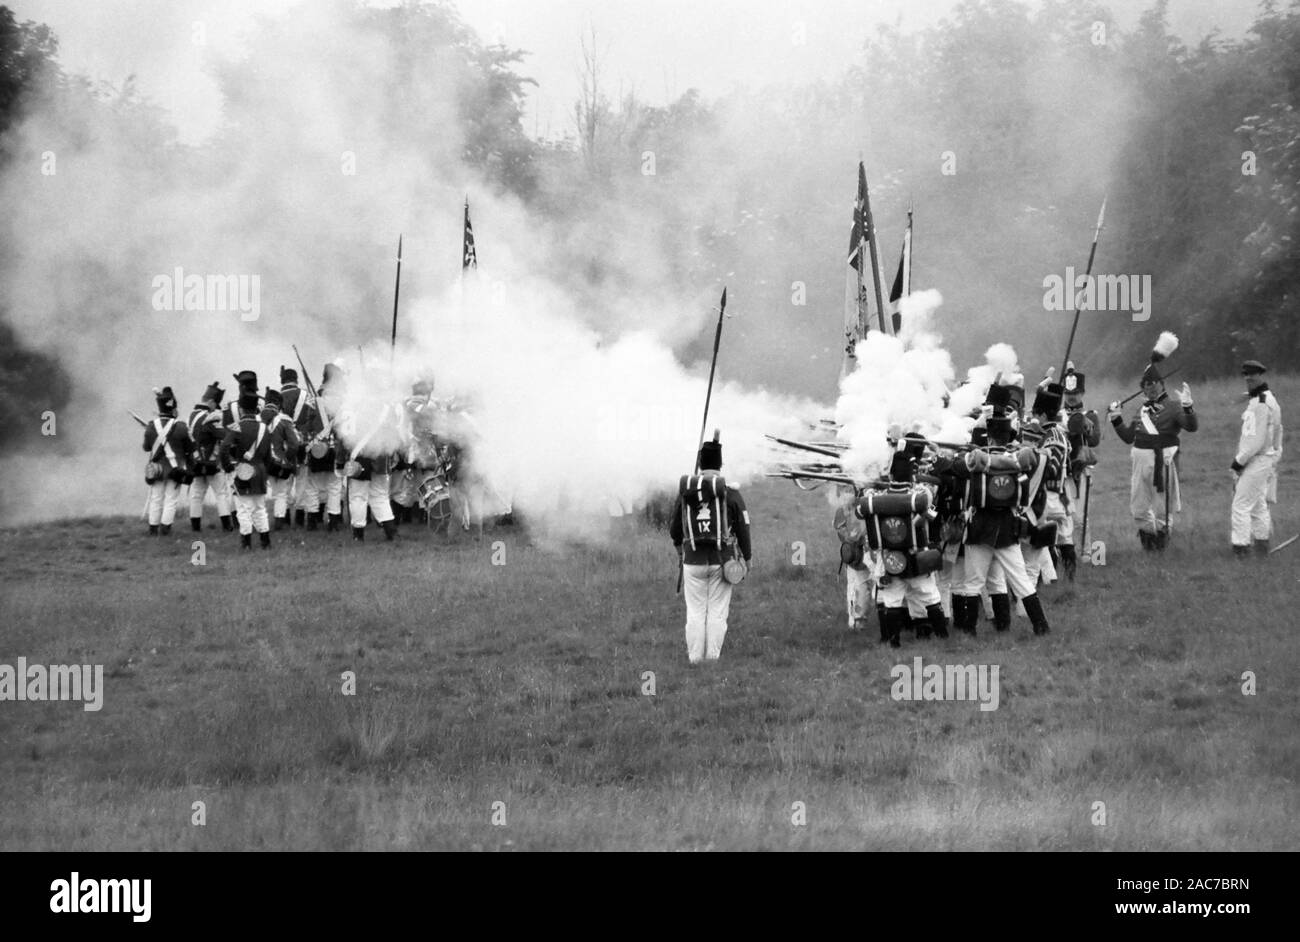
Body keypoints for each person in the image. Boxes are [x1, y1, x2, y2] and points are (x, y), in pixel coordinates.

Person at [943, 385, 1052, 636]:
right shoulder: (1017, 459)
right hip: (1007, 528)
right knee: (1021, 581)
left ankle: (969, 631)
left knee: (972, 584)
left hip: (979, 527)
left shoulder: (977, 459)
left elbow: (955, 469)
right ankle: (1038, 626)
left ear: (990, 437)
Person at [856, 434, 948, 647]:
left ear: (891, 474)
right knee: (931, 596)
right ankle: (944, 639)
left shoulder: (872, 498)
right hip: (917, 557)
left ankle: (893, 642)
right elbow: (929, 499)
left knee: (892, 601)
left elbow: (861, 510)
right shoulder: (920, 495)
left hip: (890, 560)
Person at [1107, 333, 1197, 550]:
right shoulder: (1141, 409)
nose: (1150, 388)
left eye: (1153, 384)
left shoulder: (1174, 407)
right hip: (1139, 462)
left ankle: (1161, 545)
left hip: (1163, 461)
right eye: (1146, 385)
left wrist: (1188, 407)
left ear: (1161, 384)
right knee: (1139, 508)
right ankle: (1150, 543)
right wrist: (1116, 418)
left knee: (1162, 509)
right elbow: (1129, 437)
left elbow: (1191, 426)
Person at [670, 434, 753, 663]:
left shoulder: (687, 493)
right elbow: (743, 527)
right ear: (720, 464)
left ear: (700, 464)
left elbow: (675, 529)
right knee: (717, 611)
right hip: (722, 561)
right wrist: (748, 558)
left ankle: (695, 659)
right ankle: (712, 659)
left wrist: (680, 550)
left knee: (695, 612)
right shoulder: (731, 492)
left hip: (692, 561)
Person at [1231, 360, 1284, 556]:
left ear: (1261, 376)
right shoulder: (1264, 399)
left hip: (1256, 459)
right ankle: (1262, 546)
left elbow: (1256, 439)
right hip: (1264, 458)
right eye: (1246, 375)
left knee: (1241, 505)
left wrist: (1238, 462)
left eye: (1252, 375)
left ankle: (1241, 549)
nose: (1248, 378)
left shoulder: (1261, 403)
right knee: (1258, 504)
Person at [219, 385, 274, 549]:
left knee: (243, 509)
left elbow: (224, 448)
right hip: (261, 470)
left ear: (241, 409)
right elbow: (268, 455)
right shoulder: (264, 427)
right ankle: (265, 541)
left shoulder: (237, 427)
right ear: (257, 408)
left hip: (243, 471)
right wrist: (266, 470)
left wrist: (228, 467)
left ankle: (247, 543)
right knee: (260, 508)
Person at [1059, 364, 1101, 576]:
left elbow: (1094, 441)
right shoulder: (1057, 416)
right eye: (1068, 393)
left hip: (1080, 471)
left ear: (1082, 393)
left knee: (1080, 517)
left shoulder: (1090, 415)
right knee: (1061, 516)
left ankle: (1088, 554)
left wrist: (1085, 425)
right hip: (1059, 473)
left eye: (1075, 393)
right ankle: (1064, 554)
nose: (1072, 397)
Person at [142, 385, 192, 536]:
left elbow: (146, 447)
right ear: (173, 409)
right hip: (175, 468)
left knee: (156, 498)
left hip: (157, 469)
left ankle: (153, 528)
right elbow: (189, 448)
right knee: (171, 499)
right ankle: (165, 529)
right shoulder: (182, 427)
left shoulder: (151, 426)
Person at [186, 382, 233, 532]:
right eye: (215, 404)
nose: (216, 407)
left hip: (196, 462)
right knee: (221, 494)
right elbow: (223, 435)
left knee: (196, 495)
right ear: (211, 402)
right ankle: (227, 527)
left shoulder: (191, 415)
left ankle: (195, 528)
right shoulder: (211, 417)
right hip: (211, 462)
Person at [262, 387, 302, 529]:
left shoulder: (256, 418)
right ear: (279, 404)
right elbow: (294, 444)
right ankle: (279, 524)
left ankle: (257, 525)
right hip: (278, 463)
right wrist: (287, 459)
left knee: (259, 496)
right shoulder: (284, 420)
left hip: (261, 463)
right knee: (280, 494)